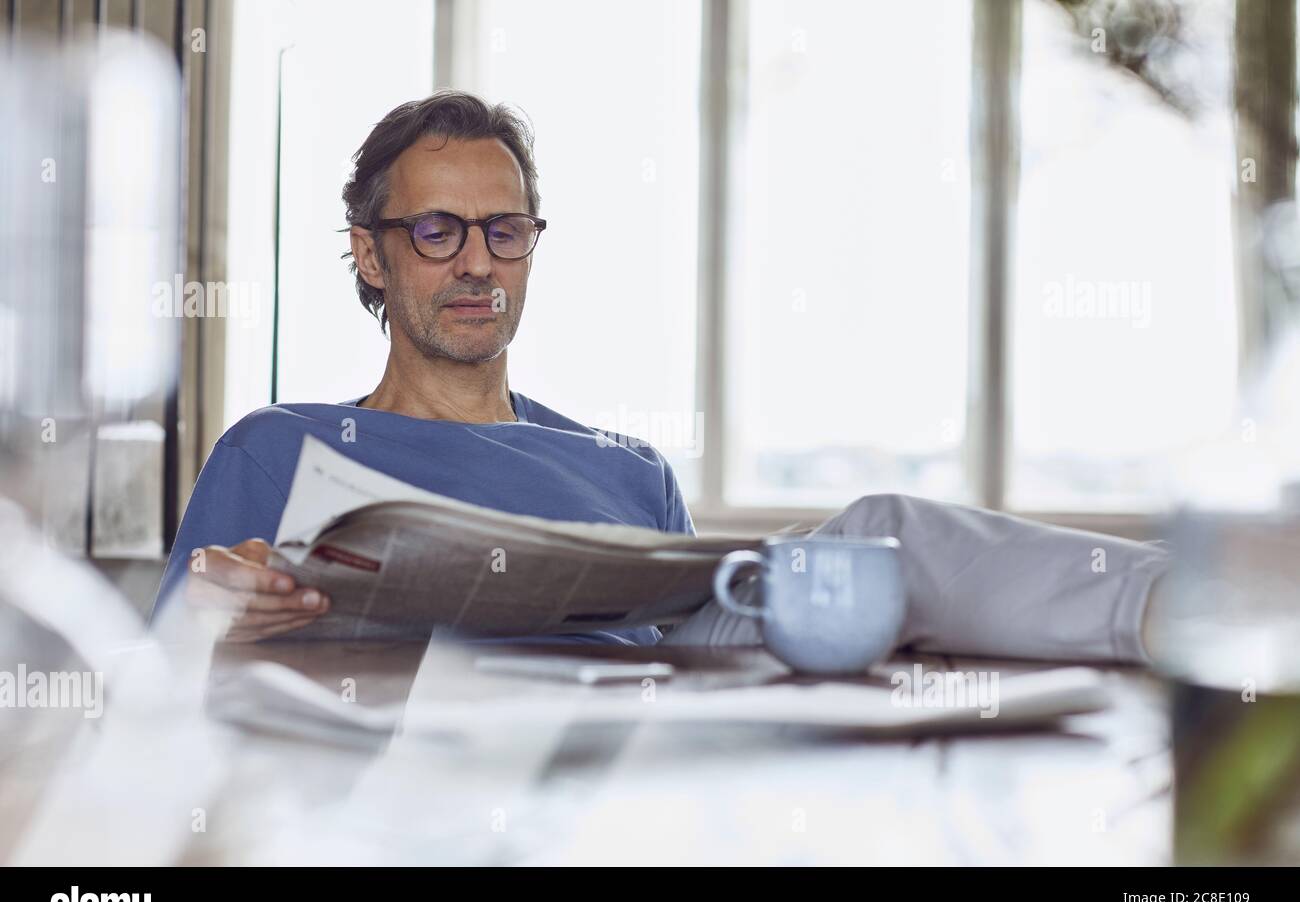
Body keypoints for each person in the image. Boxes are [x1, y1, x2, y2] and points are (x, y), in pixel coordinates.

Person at [155, 90, 1168, 662]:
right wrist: (215, 612)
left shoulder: (624, 465)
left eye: (503, 230)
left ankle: (1202, 618)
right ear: (371, 256)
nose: (476, 262)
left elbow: (692, 633)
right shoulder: (281, 444)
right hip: (394, 730)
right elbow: (157, 665)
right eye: (436, 230)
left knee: (881, 531)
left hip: (632, 714)